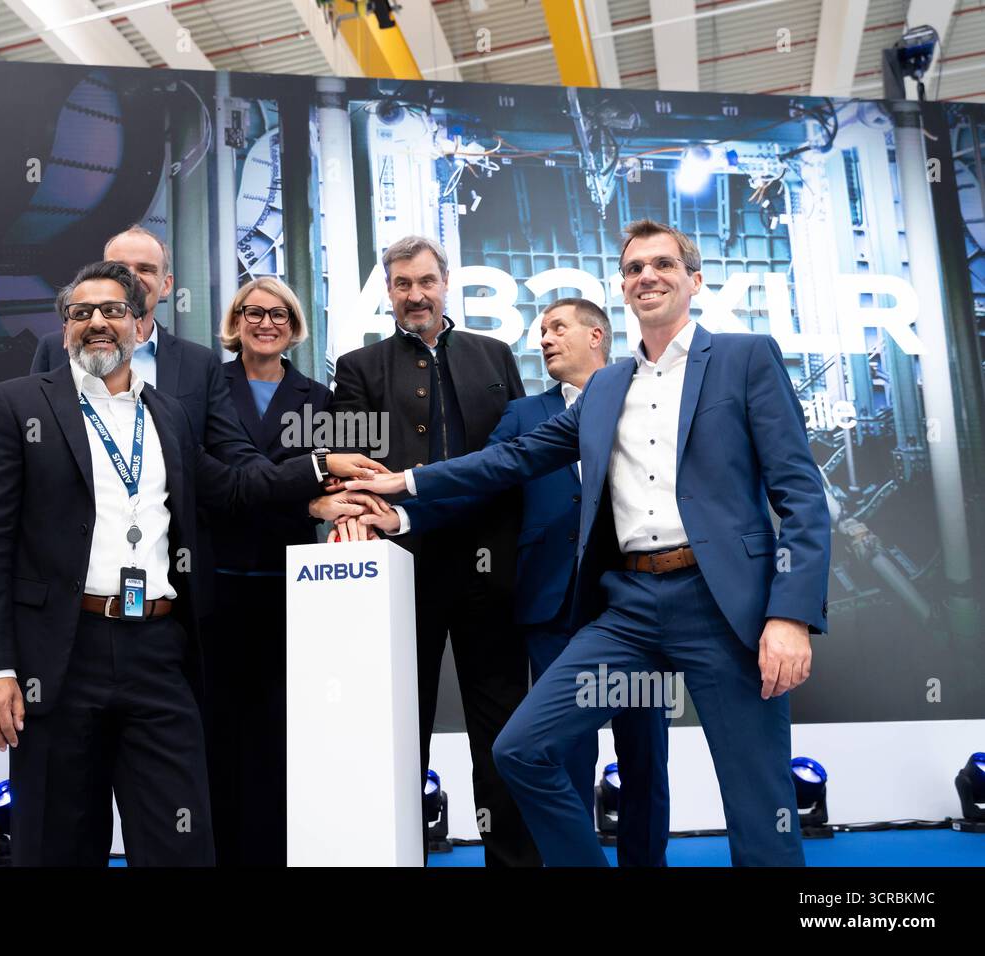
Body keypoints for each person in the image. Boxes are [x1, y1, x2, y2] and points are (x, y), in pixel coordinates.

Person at [348, 219, 830, 866]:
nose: (646, 276)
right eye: (633, 269)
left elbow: (800, 494)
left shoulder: (746, 358)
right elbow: (509, 460)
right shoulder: (608, 386)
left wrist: (791, 614)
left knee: (759, 817)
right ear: (624, 289)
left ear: (695, 279)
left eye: (661, 265)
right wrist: (404, 482)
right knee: (521, 749)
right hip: (628, 606)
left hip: (724, 606)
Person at [0, 260, 384, 866]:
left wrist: (318, 471)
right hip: (58, 656)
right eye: (81, 313)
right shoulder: (17, 404)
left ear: (139, 324)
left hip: (159, 652)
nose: (98, 323)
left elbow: (232, 487)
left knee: (181, 843)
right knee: (56, 844)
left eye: (113, 311)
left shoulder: (168, 415)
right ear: (65, 331)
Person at [360, 298, 670, 866]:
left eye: (557, 328)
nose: (544, 339)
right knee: (563, 754)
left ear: (596, 334)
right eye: (540, 331)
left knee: (645, 756)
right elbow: (481, 478)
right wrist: (406, 516)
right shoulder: (527, 416)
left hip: (639, 604)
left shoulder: (644, 401)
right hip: (554, 609)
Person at [330, 234, 540, 867]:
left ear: (447, 282)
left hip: (492, 572)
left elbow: (520, 455)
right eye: (401, 284)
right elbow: (350, 469)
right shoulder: (358, 367)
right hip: (399, 573)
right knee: (398, 730)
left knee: (503, 734)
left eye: (425, 281)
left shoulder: (497, 355)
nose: (415, 295)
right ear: (388, 292)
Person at [32, 224, 260, 609]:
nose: (133, 278)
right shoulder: (55, 350)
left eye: (146, 269)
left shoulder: (198, 363)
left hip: (172, 583)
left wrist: (309, 479)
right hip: (71, 580)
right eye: (119, 267)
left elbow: (233, 458)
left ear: (167, 285)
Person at [202, 276, 347, 866]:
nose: (266, 322)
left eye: (279, 313)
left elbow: (324, 480)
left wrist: (304, 498)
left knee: (279, 729)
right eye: (254, 312)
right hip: (214, 581)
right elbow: (206, 476)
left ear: (294, 323)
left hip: (292, 585)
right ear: (235, 321)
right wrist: (294, 491)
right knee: (219, 729)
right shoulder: (208, 386)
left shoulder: (318, 397)